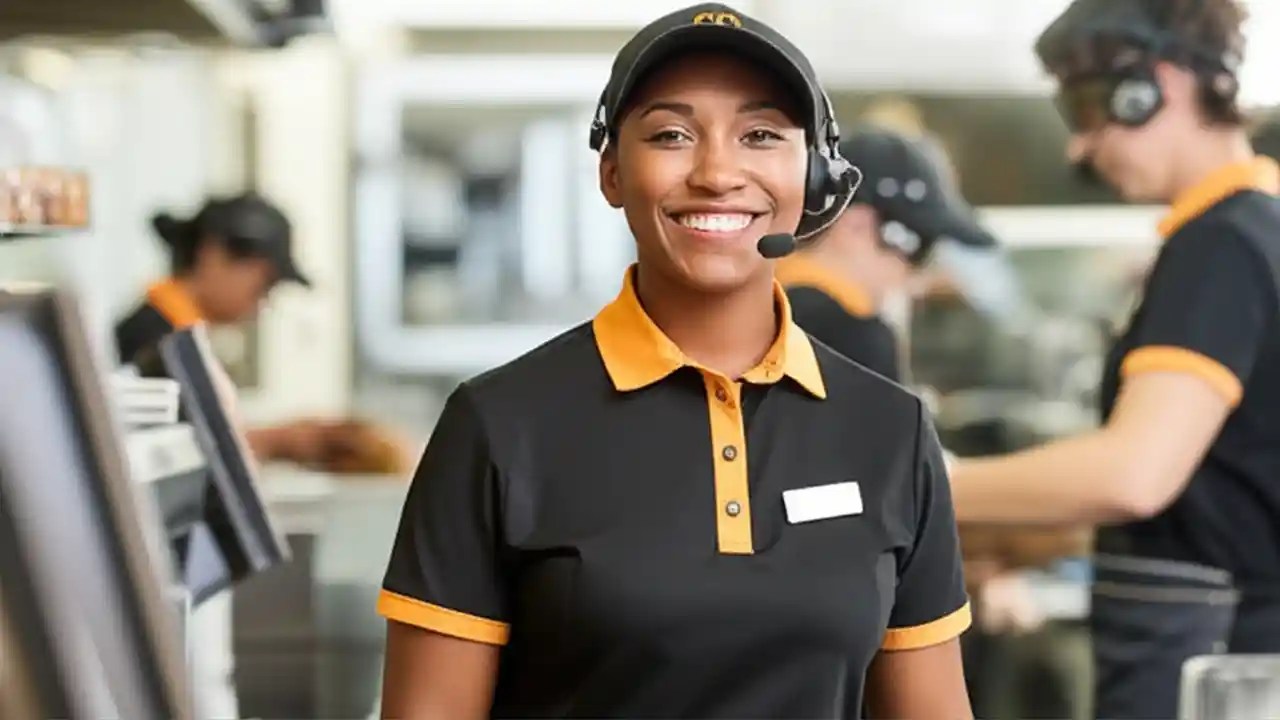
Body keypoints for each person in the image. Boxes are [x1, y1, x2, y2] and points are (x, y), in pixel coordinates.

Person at [376, 4, 973, 718]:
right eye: (671, 135)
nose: (719, 173)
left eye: (760, 135)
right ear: (611, 172)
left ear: (812, 175)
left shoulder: (890, 432)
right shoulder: (500, 425)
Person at [948, 1, 1280, 717]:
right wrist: (1020, 537)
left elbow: (1135, 475)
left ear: (1159, 82)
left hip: (1210, 665)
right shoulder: (1258, 230)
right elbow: (1217, 493)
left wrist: (924, 489)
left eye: (1085, 106)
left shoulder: (1221, 244)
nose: (1078, 148)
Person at [116, 192, 410, 474]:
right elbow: (180, 456)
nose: (262, 304)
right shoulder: (153, 346)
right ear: (213, 255)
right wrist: (280, 441)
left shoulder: (174, 340)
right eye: (264, 285)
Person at [776, 126, 998, 382]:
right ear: (855, 226)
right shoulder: (852, 338)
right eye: (918, 245)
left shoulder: (750, 310)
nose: (917, 273)